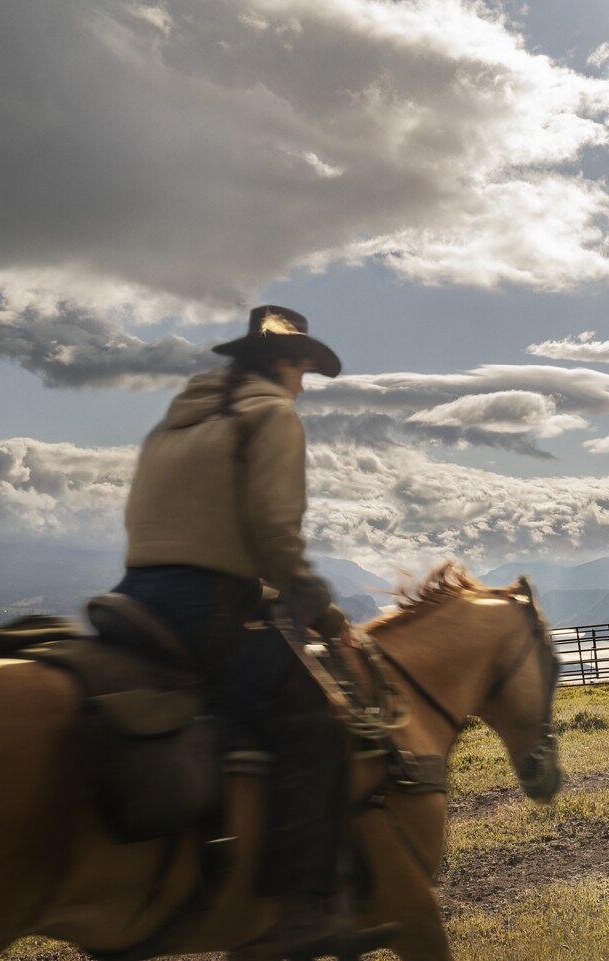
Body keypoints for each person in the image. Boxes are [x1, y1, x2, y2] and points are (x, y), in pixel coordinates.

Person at [115, 305, 389, 956]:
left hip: (135, 597)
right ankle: (301, 914)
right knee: (317, 720)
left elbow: (188, 529)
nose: (303, 383)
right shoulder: (272, 414)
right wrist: (324, 612)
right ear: (283, 363)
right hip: (204, 606)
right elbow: (273, 534)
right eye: (303, 367)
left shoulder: (180, 420)